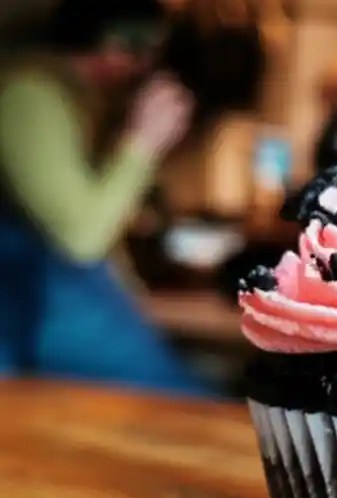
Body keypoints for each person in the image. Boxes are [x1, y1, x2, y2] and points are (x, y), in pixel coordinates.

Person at [0, 0, 204, 394]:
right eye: (145, 50)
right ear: (115, 44)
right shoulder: (27, 97)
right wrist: (144, 140)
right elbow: (82, 239)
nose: (146, 67)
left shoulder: (68, 99)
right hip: (40, 318)